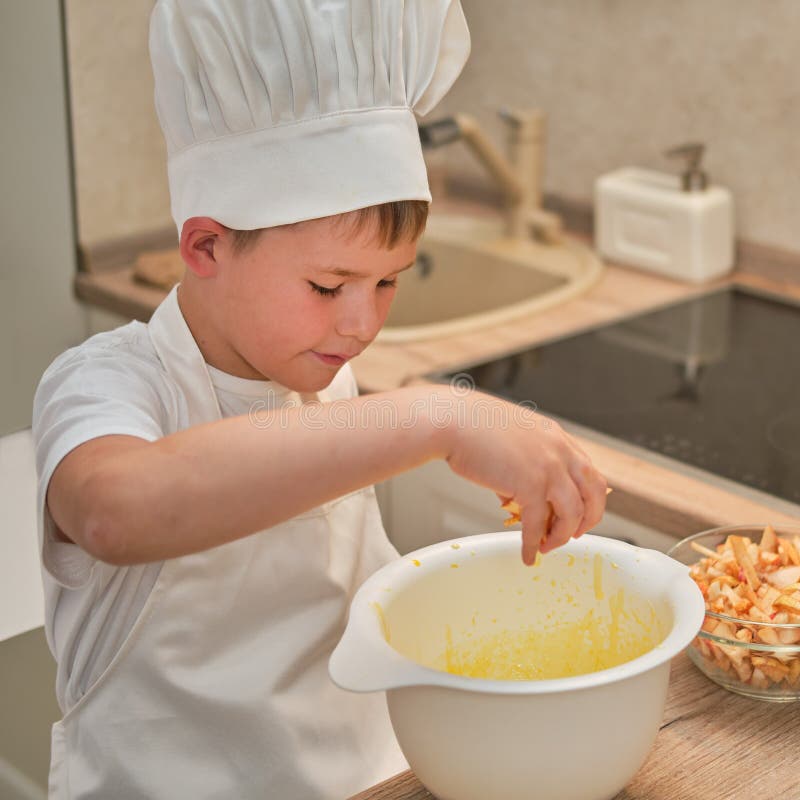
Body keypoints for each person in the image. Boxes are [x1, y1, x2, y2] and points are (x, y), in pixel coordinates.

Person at [32, 1, 608, 797]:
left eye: (388, 283)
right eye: (327, 285)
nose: (362, 321)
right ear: (205, 245)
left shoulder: (318, 371)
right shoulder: (106, 383)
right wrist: (437, 414)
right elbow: (115, 511)